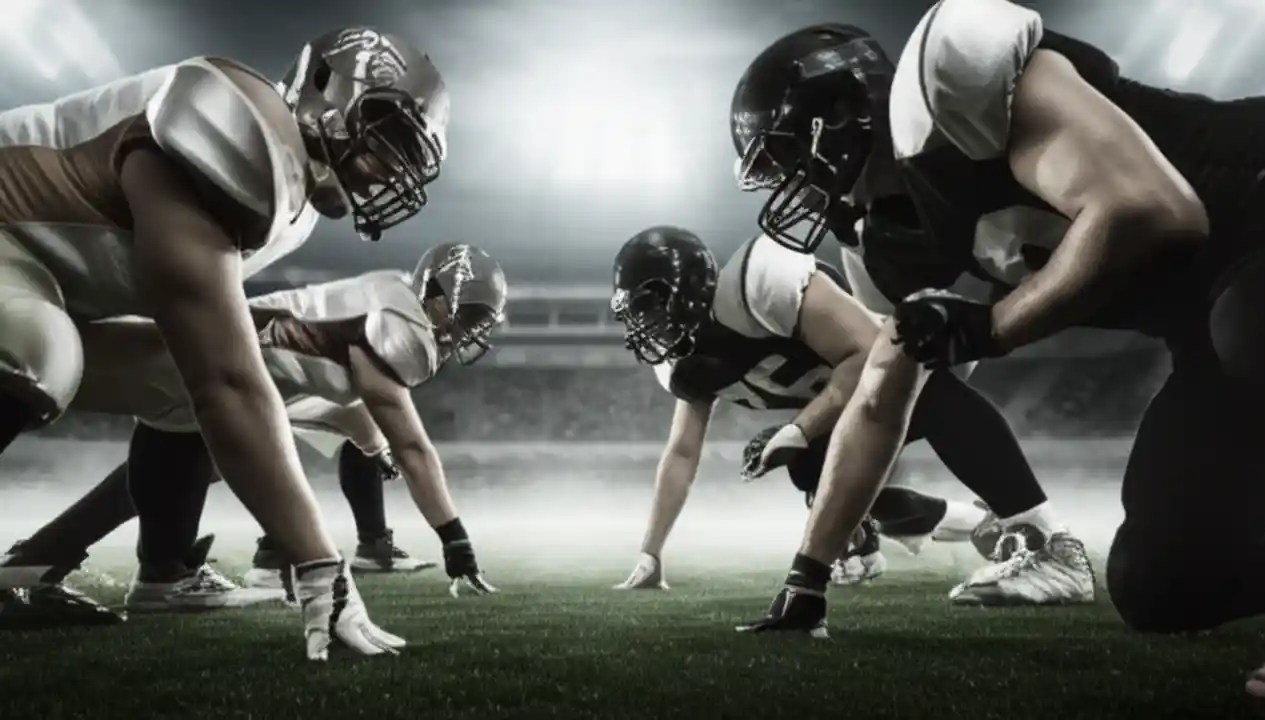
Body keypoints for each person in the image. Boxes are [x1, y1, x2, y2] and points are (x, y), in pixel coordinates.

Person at [729, 2, 1265, 698]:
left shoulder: (951, 81)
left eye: (786, 156)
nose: (789, 186)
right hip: (1213, 327)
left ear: (841, 111)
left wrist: (991, 326)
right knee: (1162, 582)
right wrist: (807, 577)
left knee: (1257, 321)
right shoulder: (884, 248)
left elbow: (1153, 210)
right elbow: (878, 404)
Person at [0, 26, 448, 659]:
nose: (385, 169)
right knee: (40, 349)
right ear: (329, 93)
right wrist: (322, 563)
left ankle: (154, 572)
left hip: (47, 282)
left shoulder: (296, 200)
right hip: (16, 260)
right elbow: (229, 384)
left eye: (405, 154)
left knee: (177, 382)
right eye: (386, 138)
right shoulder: (237, 123)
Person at [0, 244, 505, 626]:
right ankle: (134, 569)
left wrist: (376, 447)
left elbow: (348, 407)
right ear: (434, 296)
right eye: (468, 315)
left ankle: (53, 560)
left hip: (234, 368)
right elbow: (413, 444)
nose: (469, 331)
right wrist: (454, 539)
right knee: (215, 455)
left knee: (208, 460)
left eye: (481, 322)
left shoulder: (387, 301)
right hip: (207, 361)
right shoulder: (401, 328)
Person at [607, 226, 1083, 603]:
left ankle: (1050, 540)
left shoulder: (756, 283)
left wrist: (800, 426)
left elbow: (872, 355)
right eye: (636, 316)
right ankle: (958, 523)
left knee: (925, 383)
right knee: (811, 466)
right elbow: (682, 453)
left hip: (909, 350)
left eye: (650, 308)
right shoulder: (684, 366)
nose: (647, 327)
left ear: (687, 285)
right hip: (847, 405)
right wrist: (651, 551)